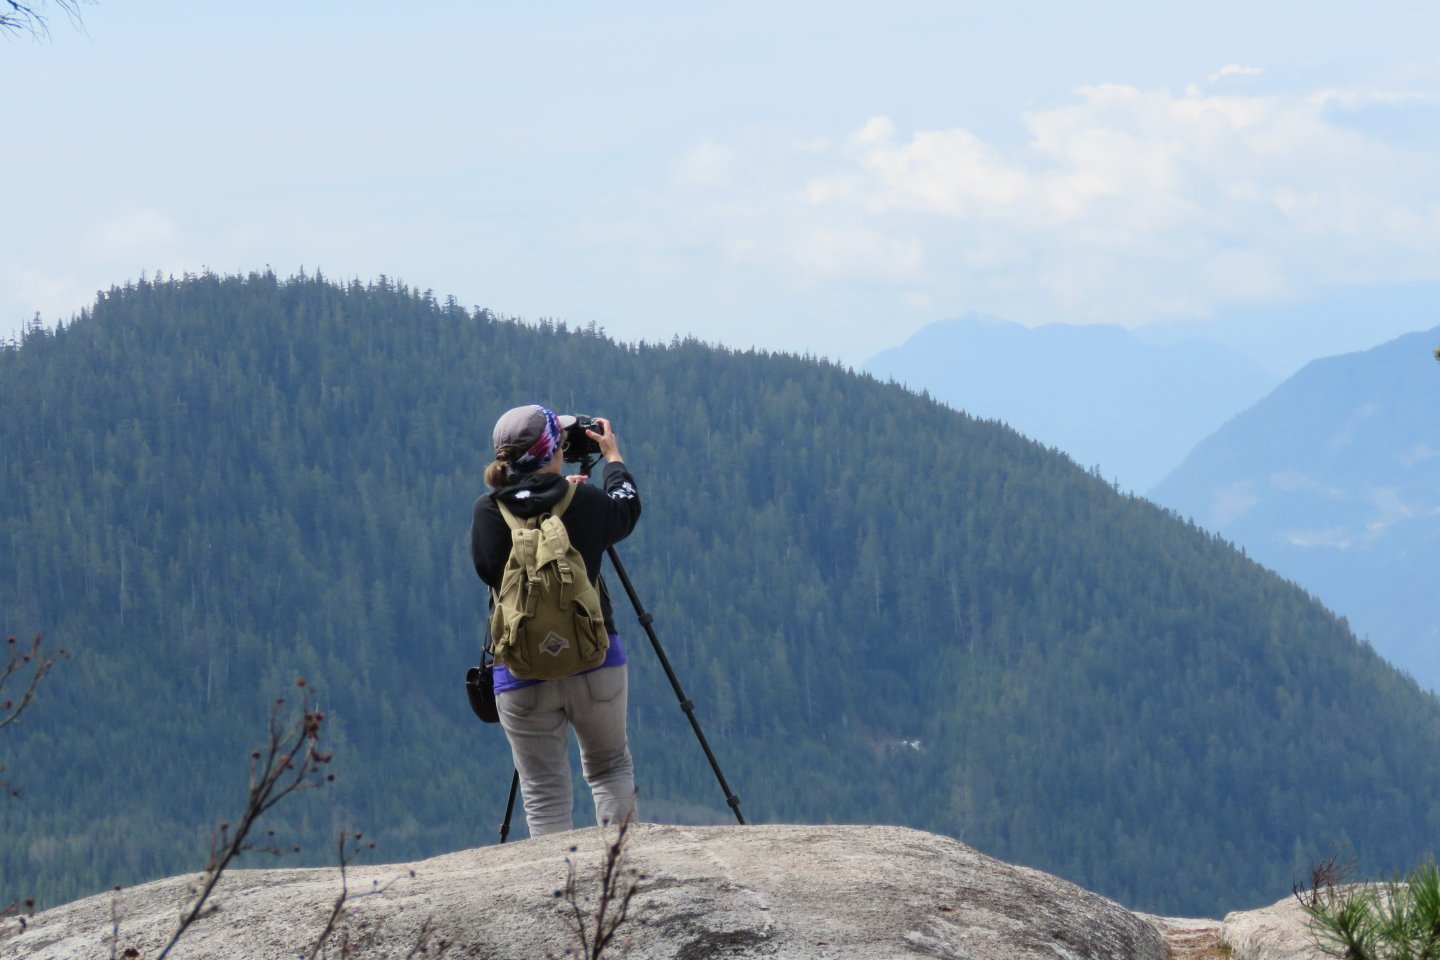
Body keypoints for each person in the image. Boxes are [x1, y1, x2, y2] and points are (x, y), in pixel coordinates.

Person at [470, 403, 641, 836]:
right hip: (594, 660)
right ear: (553, 451)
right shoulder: (584, 501)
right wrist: (613, 459)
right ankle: (618, 870)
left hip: (521, 671)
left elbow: (488, 570)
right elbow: (627, 509)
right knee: (609, 769)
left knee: (543, 792)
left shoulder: (487, 511)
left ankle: (558, 879)